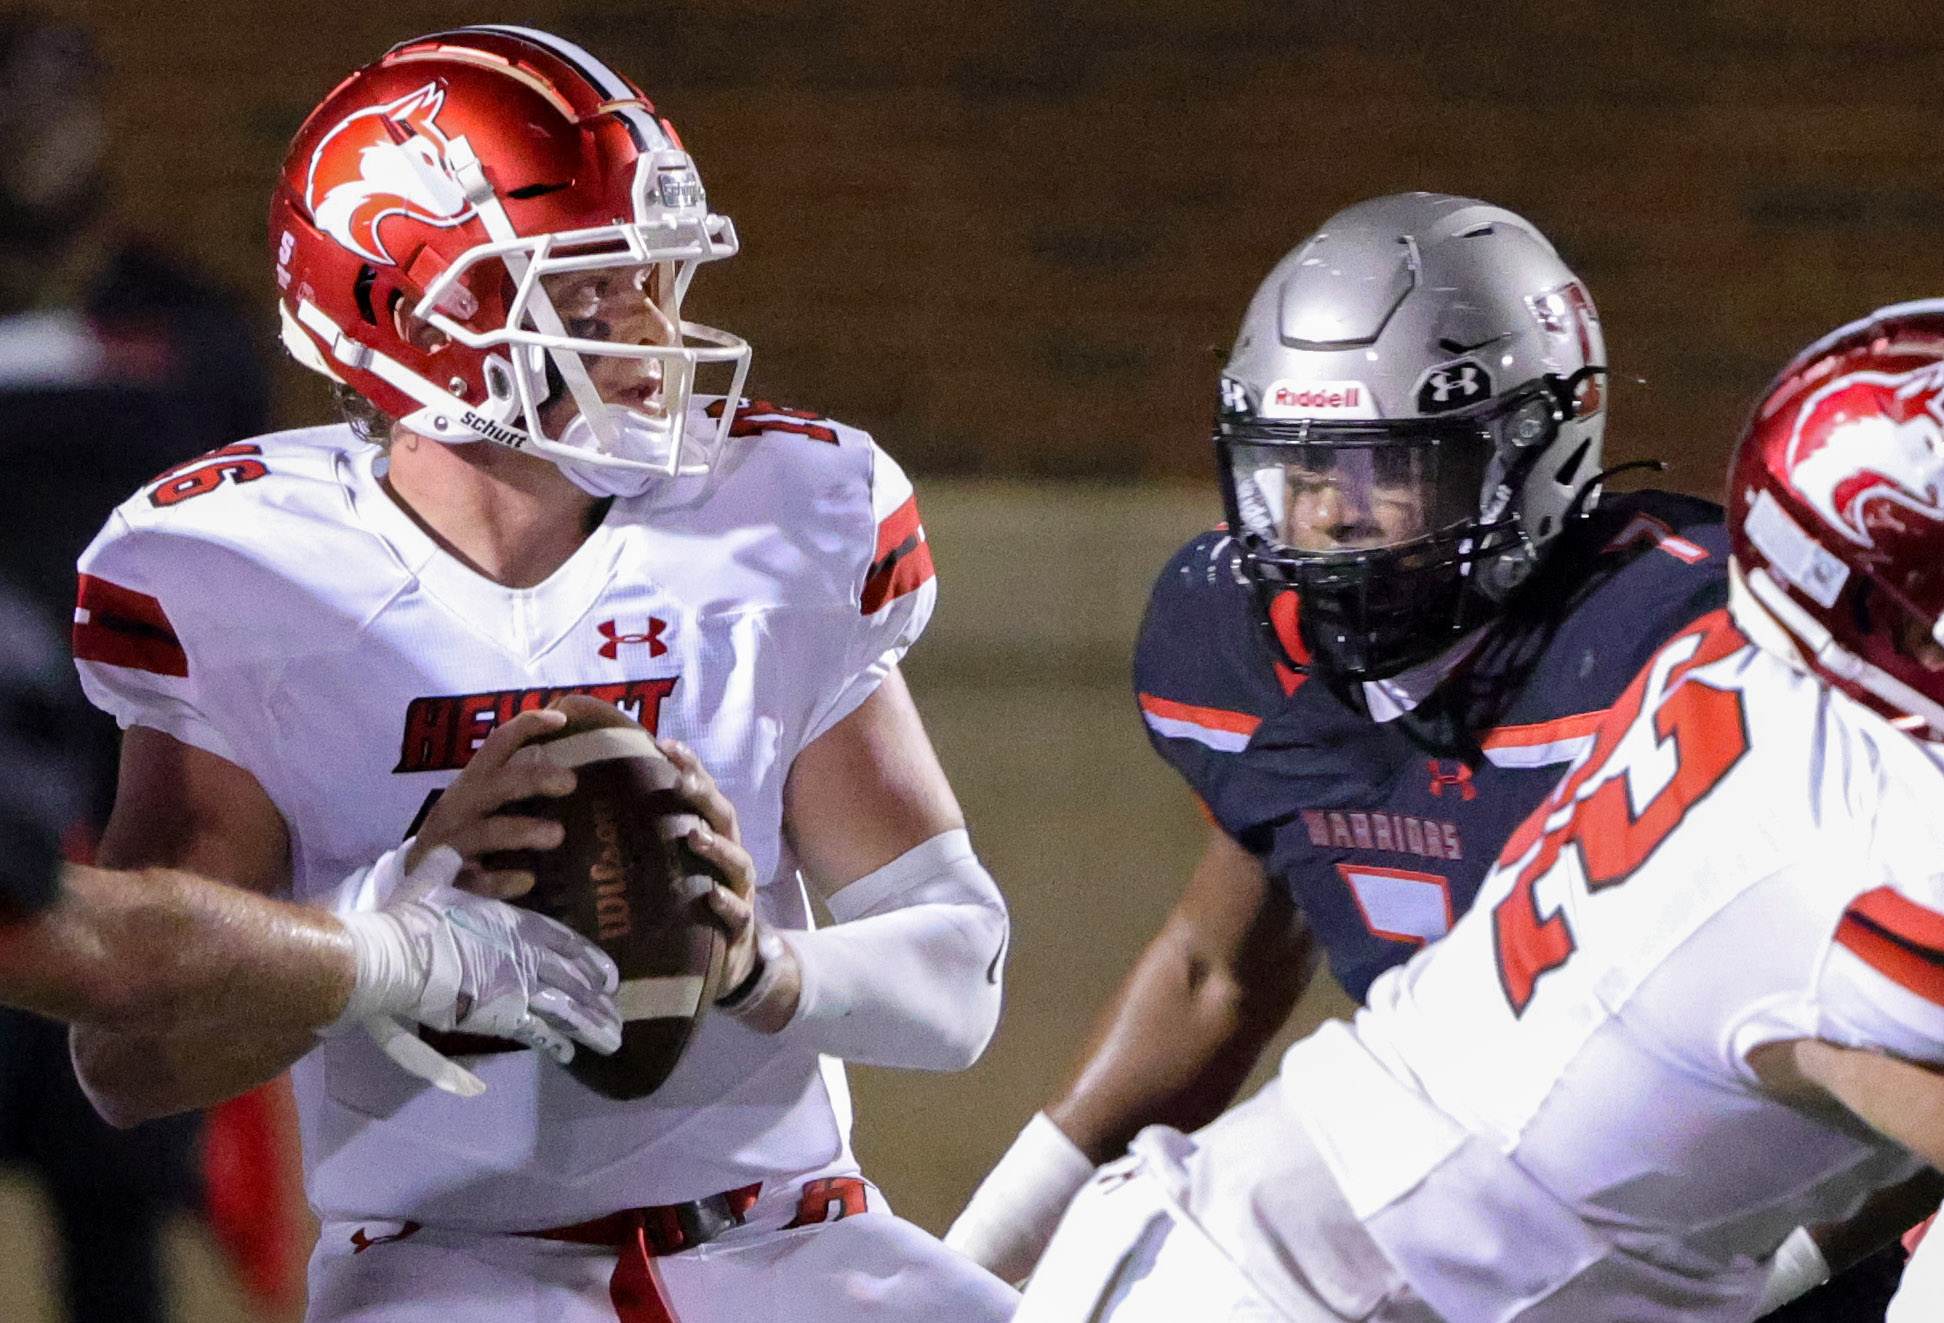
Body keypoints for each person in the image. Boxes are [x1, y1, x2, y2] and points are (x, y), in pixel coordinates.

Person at [69, 25, 1018, 1323]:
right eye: (588, 300)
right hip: (442, 1269)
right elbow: (132, 1058)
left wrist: (758, 967)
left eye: (654, 282)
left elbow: (959, 977)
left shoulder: (774, 521)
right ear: (408, 314)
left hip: (796, 1244)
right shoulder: (239, 571)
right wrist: (392, 929)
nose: (651, 337)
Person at [1012, 297, 1944, 1322]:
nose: (1332, 513)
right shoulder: (1844, 850)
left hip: (1282, 1243)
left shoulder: (1713, 659)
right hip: (1327, 1292)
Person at [949, 191, 1733, 1273]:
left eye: (1389, 471)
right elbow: (1216, 972)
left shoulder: (1690, 640)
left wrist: (1779, 1264)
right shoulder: (1233, 642)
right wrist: (978, 1259)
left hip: (1748, 1190)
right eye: (1302, 470)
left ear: (1535, 450)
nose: (1328, 517)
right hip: (1470, 1194)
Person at [0, 16, 279, 1319]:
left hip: (121, 853)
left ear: (97, 117)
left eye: (54, 96)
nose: (26, 124)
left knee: (115, 1218)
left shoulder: (196, 339)